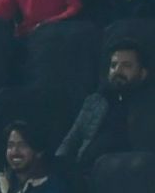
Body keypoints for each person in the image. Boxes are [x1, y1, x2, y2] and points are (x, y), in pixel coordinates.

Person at [58, 41, 155, 171]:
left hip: (130, 172)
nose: (117, 71)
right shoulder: (95, 100)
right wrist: (56, 166)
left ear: (143, 73)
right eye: (113, 65)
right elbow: (72, 139)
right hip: (87, 172)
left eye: (126, 66)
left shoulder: (148, 104)